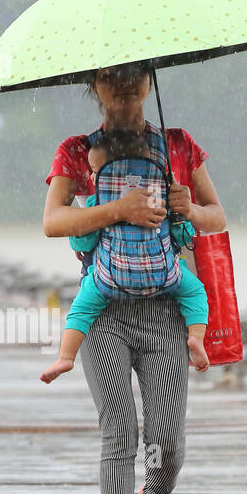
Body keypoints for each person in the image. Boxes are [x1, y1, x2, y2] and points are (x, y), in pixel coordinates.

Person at [42, 61, 226, 494]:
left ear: (149, 82)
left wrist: (188, 208)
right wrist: (116, 209)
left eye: (135, 75)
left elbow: (217, 215)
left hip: (167, 307)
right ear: (93, 86)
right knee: (119, 431)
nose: (124, 84)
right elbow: (54, 222)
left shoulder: (178, 145)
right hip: (103, 311)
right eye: (111, 76)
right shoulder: (76, 150)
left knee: (167, 445)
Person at [40, 129, 210, 383]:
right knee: (195, 291)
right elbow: (183, 235)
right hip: (163, 276)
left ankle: (66, 356)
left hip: (109, 280)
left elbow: (84, 242)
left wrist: (88, 227)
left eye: (97, 172)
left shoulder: (96, 203)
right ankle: (196, 338)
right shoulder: (159, 197)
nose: (95, 177)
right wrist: (183, 216)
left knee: (82, 307)